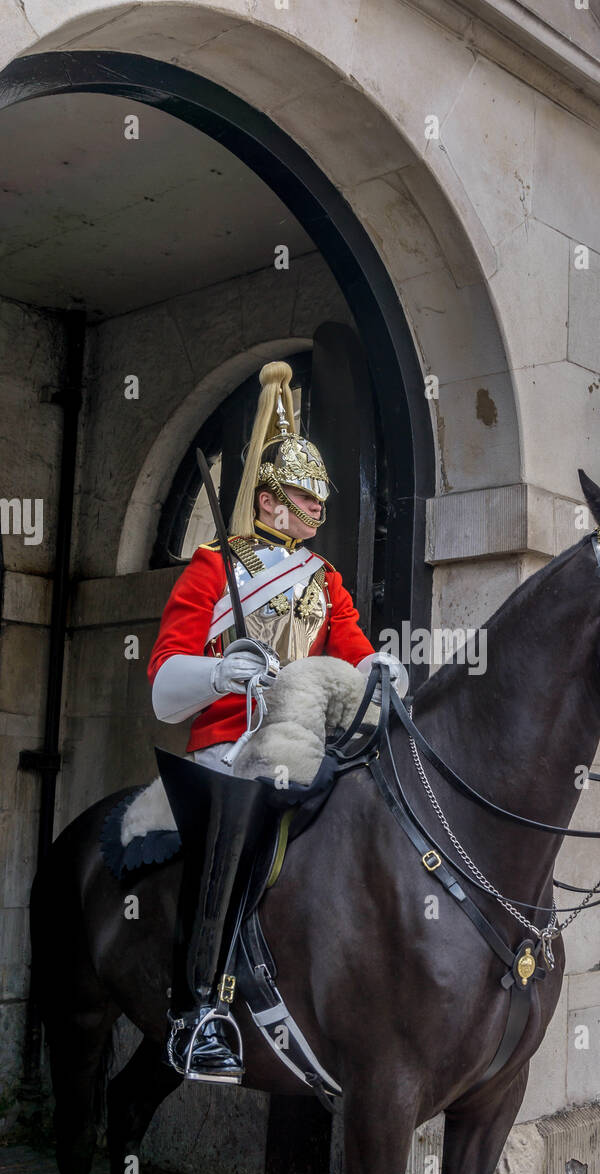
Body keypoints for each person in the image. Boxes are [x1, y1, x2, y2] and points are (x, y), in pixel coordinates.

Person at [147, 360, 407, 1081]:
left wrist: (380, 669)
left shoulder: (324, 581)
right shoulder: (210, 567)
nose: (317, 510)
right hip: (228, 746)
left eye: (320, 500)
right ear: (267, 499)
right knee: (234, 822)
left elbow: (351, 651)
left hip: (302, 740)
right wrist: (218, 671)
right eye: (303, 497)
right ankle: (198, 1009)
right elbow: (164, 686)